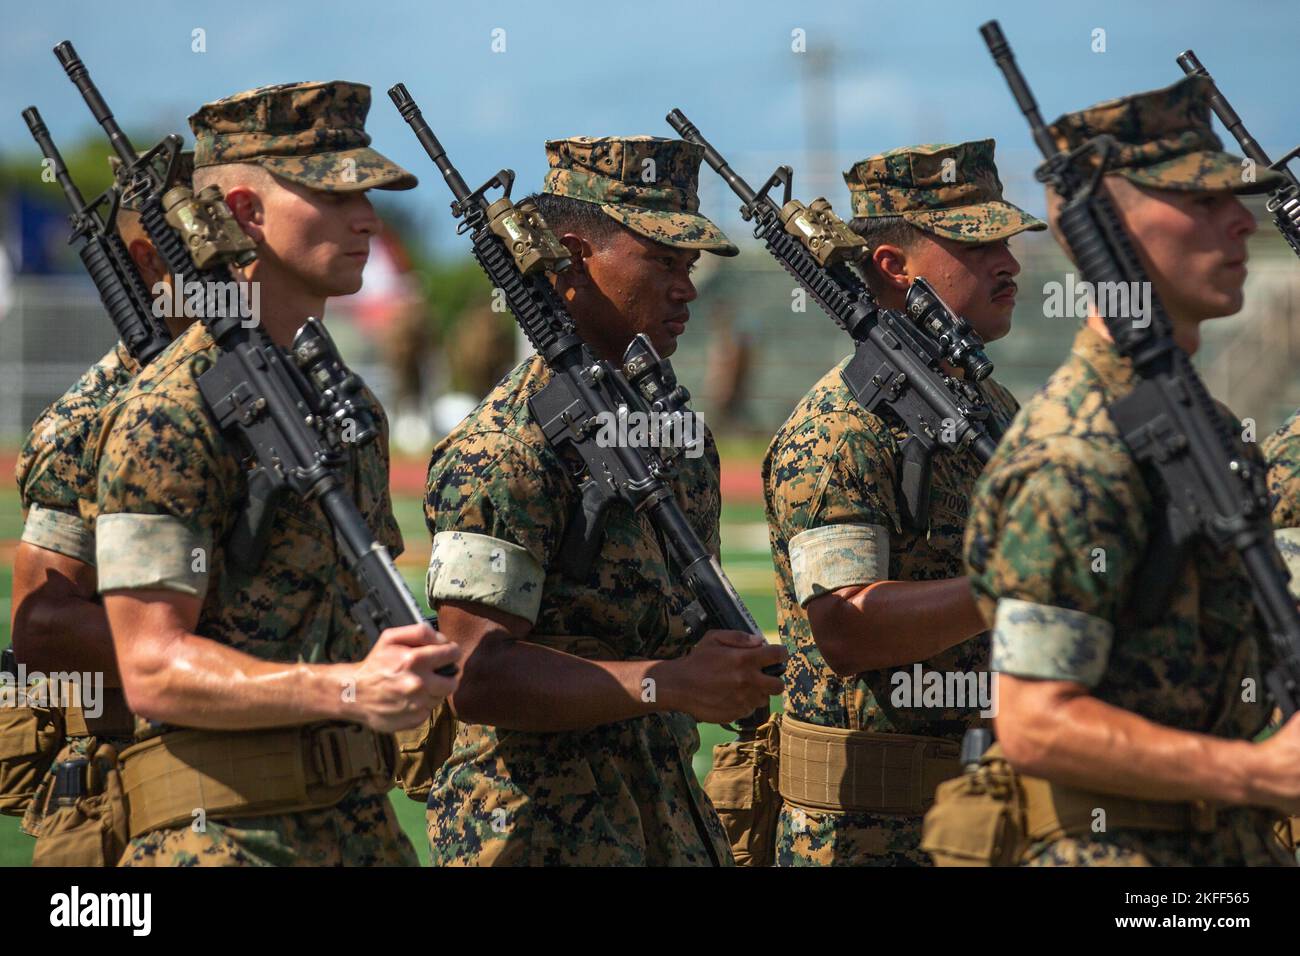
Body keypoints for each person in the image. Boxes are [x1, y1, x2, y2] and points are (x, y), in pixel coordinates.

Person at [92, 81, 459, 867]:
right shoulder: (171, 411)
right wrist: (351, 690)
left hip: (357, 828)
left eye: (368, 193)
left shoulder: (344, 400)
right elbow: (152, 668)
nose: (366, 217)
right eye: (334, 193)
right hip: (223, 839)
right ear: (246, 212)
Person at [962, 75, 1297, 865]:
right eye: (1201, 200)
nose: (1241, 223)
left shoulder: (1198, 425)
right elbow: (1037, 719)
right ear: (1108, 226)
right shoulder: (1078, 452)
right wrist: (1255, 772)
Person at [423, 135, 785, 866]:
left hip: (669, 821)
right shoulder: (505, 447)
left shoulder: (676, 438)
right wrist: (672, 684)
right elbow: (473, 671)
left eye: (689, 265)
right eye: (661, 260)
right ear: (571, 258)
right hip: (538, 835)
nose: (687, 287)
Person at [763, 140, 1042, 865]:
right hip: (866, 837)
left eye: (1008, 238)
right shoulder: (838, 428)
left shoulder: (990, 403)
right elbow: (848, 629)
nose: (1008, 261)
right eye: (977, 243)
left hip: (983, 817)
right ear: (894, 266)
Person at [7, 156, 189, 866]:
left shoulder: (284, 393)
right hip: (136, 779)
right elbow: (43, 627)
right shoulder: (89, 419)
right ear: (151, 261)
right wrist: (234, 660)